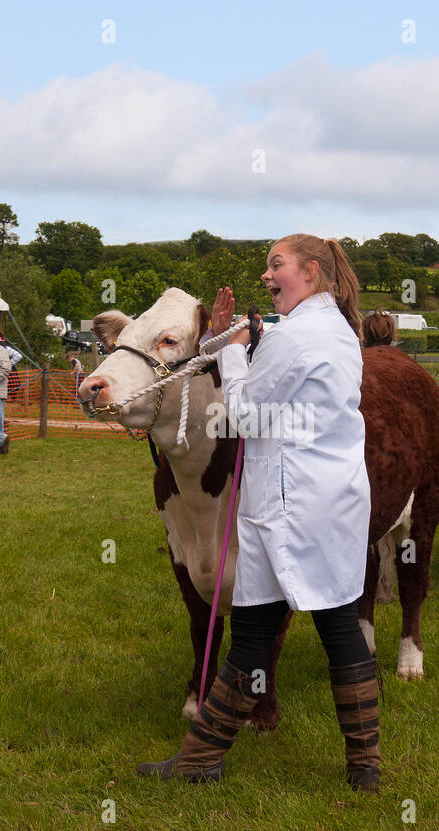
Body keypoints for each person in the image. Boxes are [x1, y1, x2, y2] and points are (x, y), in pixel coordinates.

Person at [136, 234, 381, 791]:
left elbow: (243, 413)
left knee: (275, 630)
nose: (267, 275)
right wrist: (235, 338)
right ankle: (361, 767)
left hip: (291, 506)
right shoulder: (332, 328)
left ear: (312, 272)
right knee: (292, 629)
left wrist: (228, 348)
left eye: (277, 265)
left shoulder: (297, 336)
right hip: (328, 499)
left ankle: (207, 760)